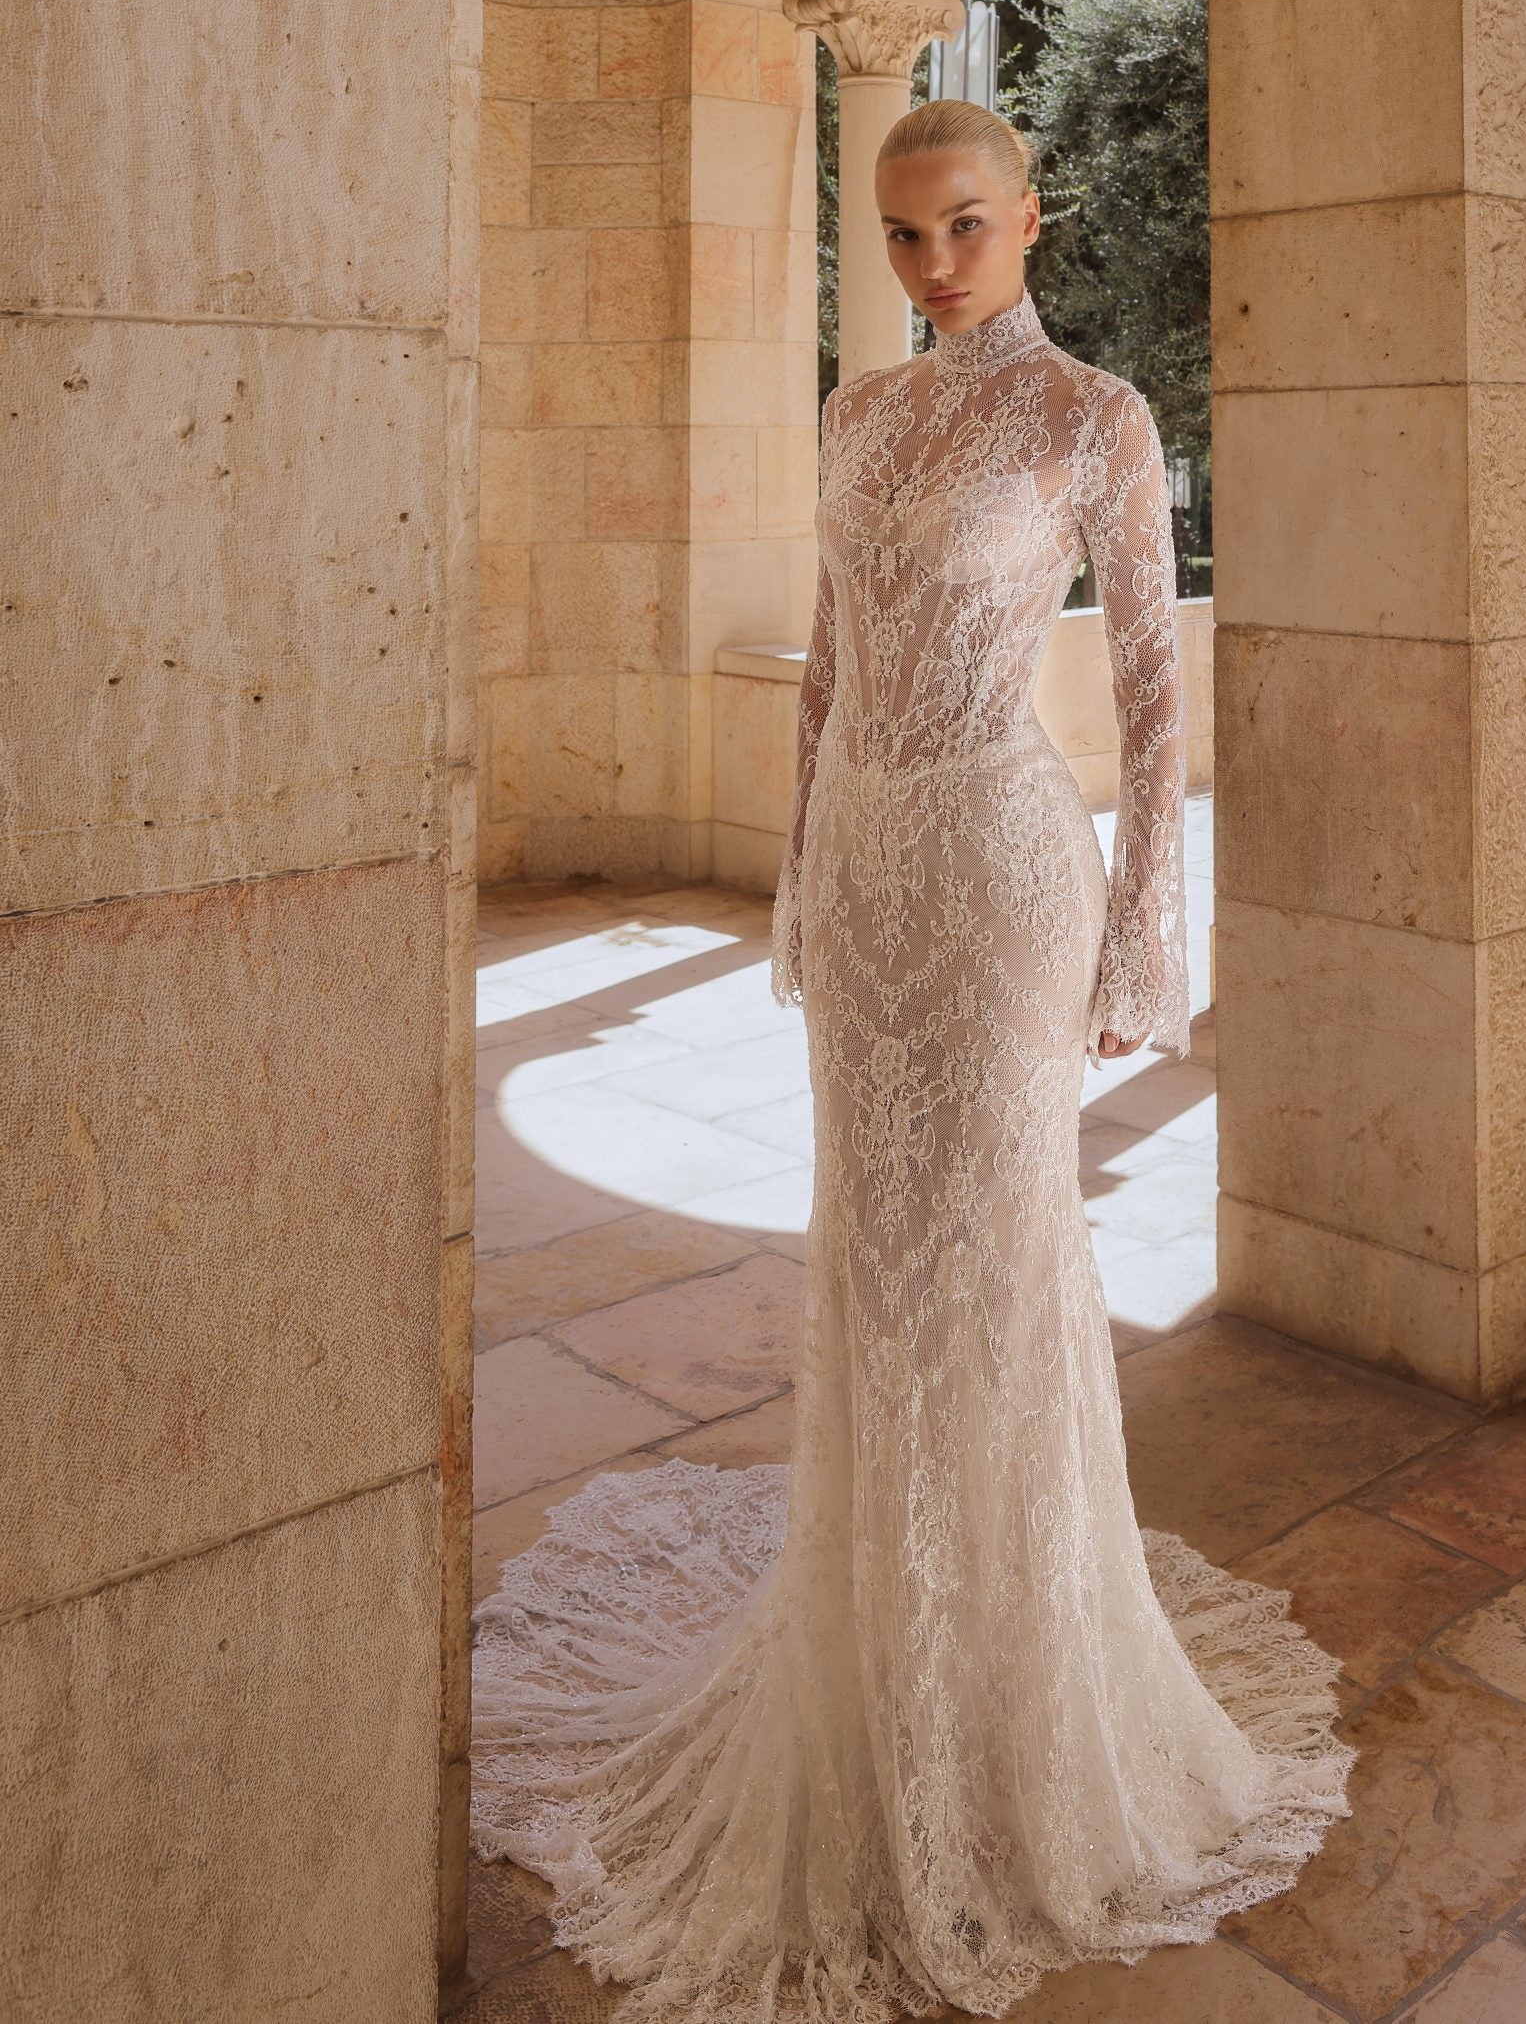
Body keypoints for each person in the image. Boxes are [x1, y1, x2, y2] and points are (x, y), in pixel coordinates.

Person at [469, 99, 1353, 2023]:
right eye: (898, 236)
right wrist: (798, 878)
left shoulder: (1090, 419)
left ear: (1030, 215)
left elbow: (1142, 680)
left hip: (997, 870)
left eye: (962, 225)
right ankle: (876, 1640)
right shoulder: (858, 415)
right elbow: (819, 663)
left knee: (987, 1249)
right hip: (868, 867)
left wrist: (1145, 932)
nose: (932, 264)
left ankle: (1014, 1683)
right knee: (873, 1258)